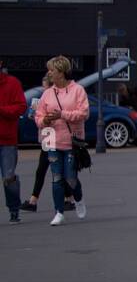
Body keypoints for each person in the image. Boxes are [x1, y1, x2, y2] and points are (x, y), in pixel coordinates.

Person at [34, 55, 89, 226]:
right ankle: (59, 212)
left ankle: (78, 199)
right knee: (56, 177)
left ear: (62, 72)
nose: (49, 73)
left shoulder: (77, 90)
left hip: (72, 140)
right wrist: (44, 120)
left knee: (70, 177)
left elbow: (83, 113)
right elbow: (39, 115)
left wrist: (62, 114)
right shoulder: (47, 94)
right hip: (51, 139)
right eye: (49, 70)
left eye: (52, 70)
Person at [0, 57, 27, 224]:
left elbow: (21, 107)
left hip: (7, 140)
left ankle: (14, 209)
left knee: (9, 176)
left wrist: (1, 110)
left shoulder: (12, 83)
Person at [20, 76, 52, 213]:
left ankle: (33, 200)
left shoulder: (50, 100)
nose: (43, 89)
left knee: (43, 169)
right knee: (54, 169)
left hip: (50, 136)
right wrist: (35, 115)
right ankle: (69, 198)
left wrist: (39, 113)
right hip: (46, 136)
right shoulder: (44, 100)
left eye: (45, 87)